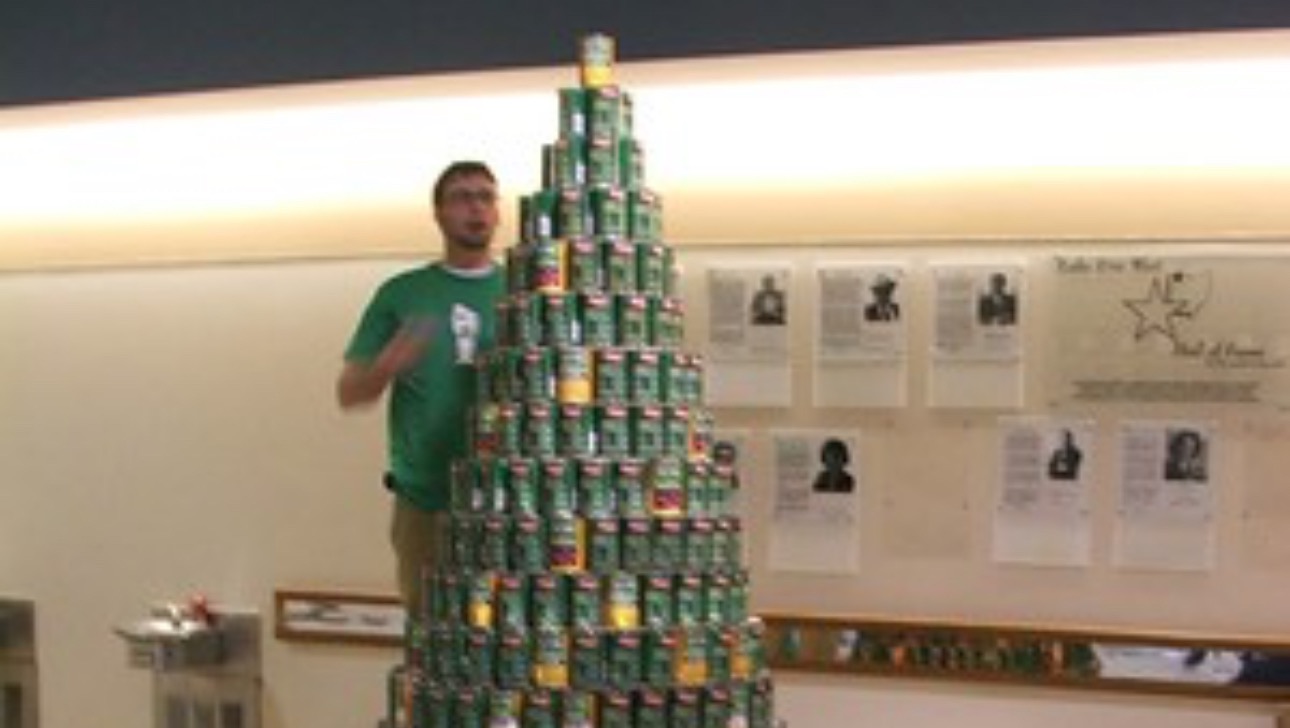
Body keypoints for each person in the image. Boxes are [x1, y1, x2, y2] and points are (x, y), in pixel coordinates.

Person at [336, 161, 505, 615]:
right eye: (461, 197)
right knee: (429, 637)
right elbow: (349, 392)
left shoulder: (524, 290)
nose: (476, 207)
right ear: (439, 214)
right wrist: (387, 365)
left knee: (509, 638)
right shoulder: (401, 293)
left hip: (511, 502)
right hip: (426, 499)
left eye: (486, 197)